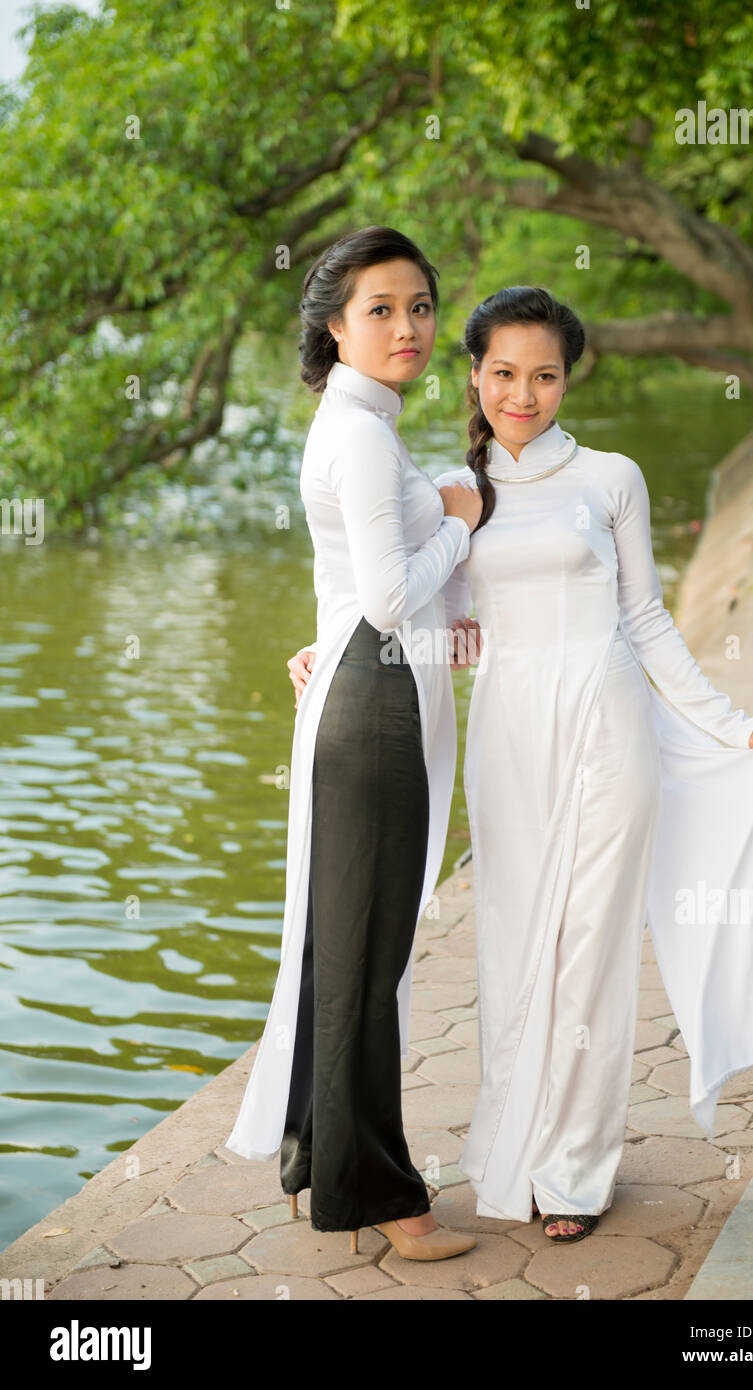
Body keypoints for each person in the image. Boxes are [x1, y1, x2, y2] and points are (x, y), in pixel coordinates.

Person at [289, 286, 753, 1245]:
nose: (524, 394)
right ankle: (510, 1150)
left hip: (607, 726)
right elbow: (400, 601)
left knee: (591, 952)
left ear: (568, 378)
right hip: (507, 736)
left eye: (546, 374)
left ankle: (575, 1171)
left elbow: (645, 618)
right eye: (505, 374)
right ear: (473, 376)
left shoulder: (611, 478)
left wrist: (728, 721)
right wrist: (323, 655)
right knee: (512, 946)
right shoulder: (452, 492)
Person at [224, 226, 482, 1262]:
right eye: (381, 309)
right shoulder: (365, 433)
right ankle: (383, 1196)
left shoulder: (356, 420)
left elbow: (349, 585)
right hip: (371, 711)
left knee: (342, 950)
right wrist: (467, 517)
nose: (408, 326)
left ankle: (315, 1162)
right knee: (369, 958)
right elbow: (384, 596)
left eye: (420, 306)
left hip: (357, 691)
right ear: (335, 325)